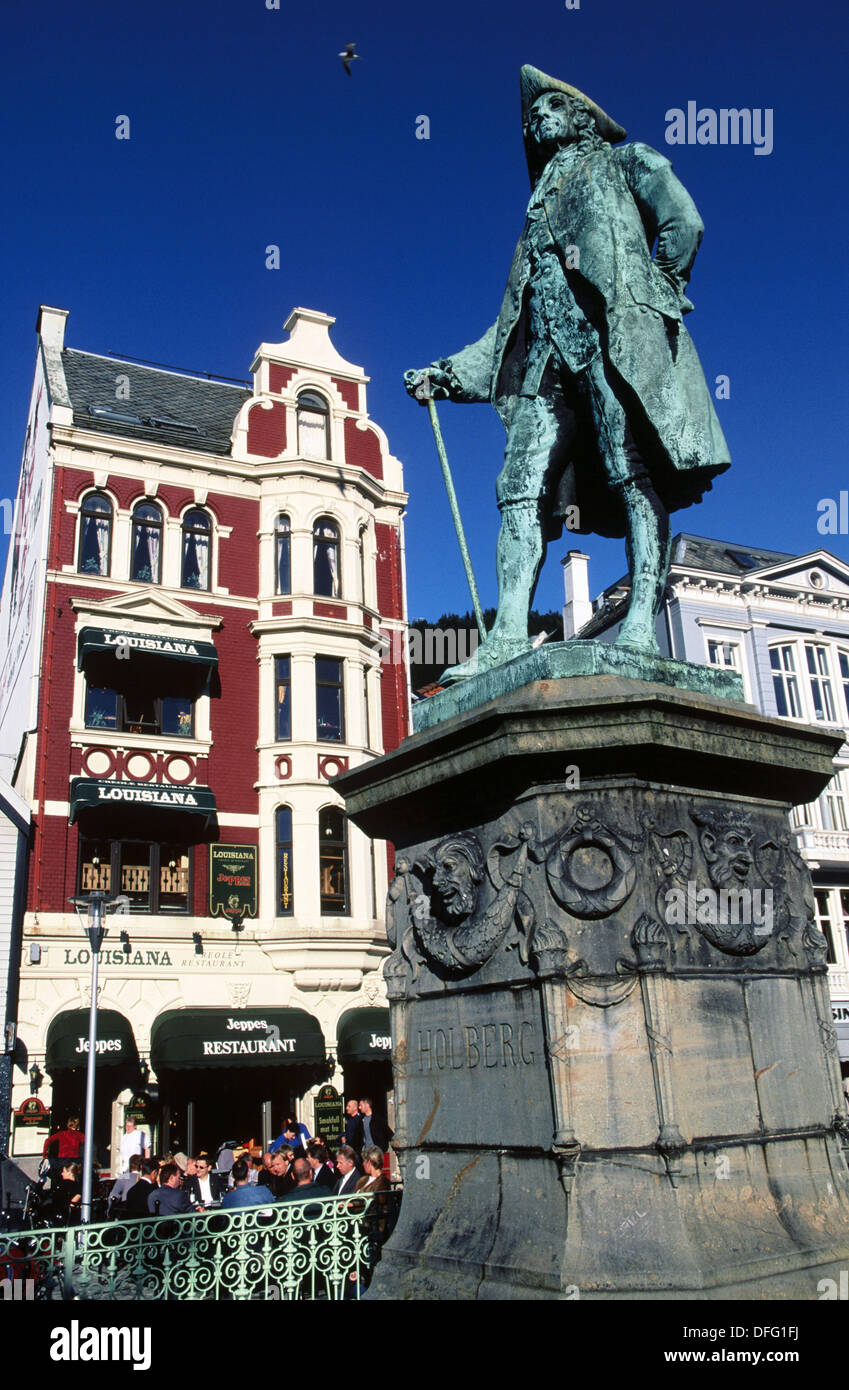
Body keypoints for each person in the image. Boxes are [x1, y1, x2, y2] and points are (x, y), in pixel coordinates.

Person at [404, 65, 730, 677]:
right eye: (533, 114)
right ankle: (505, 639)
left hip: (612, 349)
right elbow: (507, 330)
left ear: (583, 117)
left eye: (551, 105)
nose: (536, 117)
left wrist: (655, 291)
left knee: (631, 473)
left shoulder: (628, 162)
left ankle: (639, 625)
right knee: (517, 489)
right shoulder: (534, 216)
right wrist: (448, 374)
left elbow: (683, 222)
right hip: (546, 367)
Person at [42, 1116, 85, 1184]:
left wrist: (44, 1154)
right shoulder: (79, 1135)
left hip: (61, 1161)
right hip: (73, 1162)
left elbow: (48, 1141)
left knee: (59, 1181)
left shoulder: (62, 1134)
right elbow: (88, 1144)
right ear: (77, 1125)